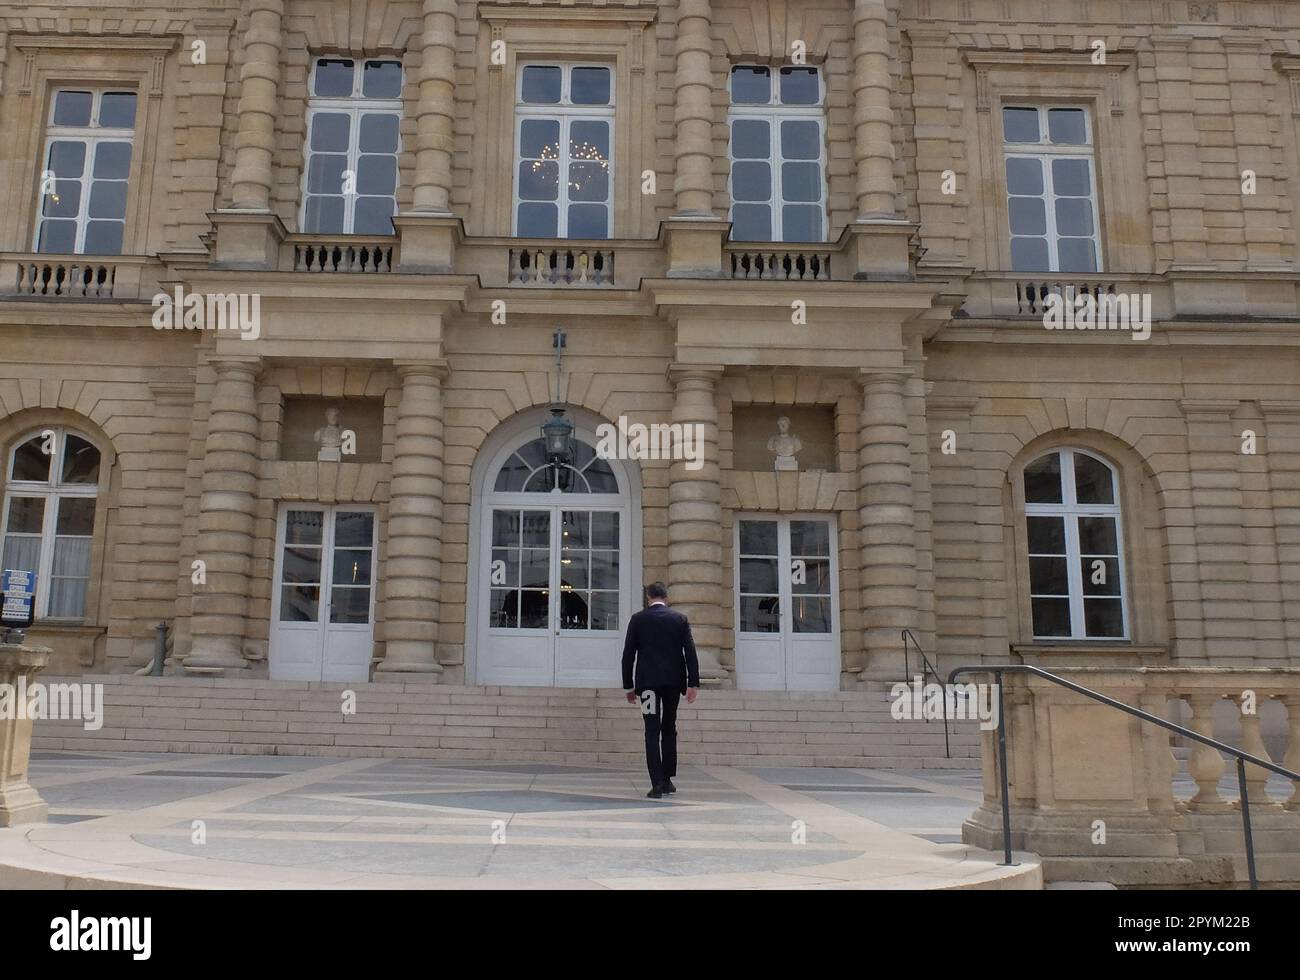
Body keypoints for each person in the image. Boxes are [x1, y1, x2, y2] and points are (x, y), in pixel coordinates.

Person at [621, 582, 700, 798]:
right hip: (673, 683)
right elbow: (690, 652)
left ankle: (655, 783)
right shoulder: (679, 619)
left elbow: (628, 654)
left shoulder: (638, 619)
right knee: (669, 726)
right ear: (666, 597)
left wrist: (628, 685)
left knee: (651, 729)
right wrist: (693, 683)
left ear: (648, 597)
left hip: (647, 684)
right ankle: (667, 779)